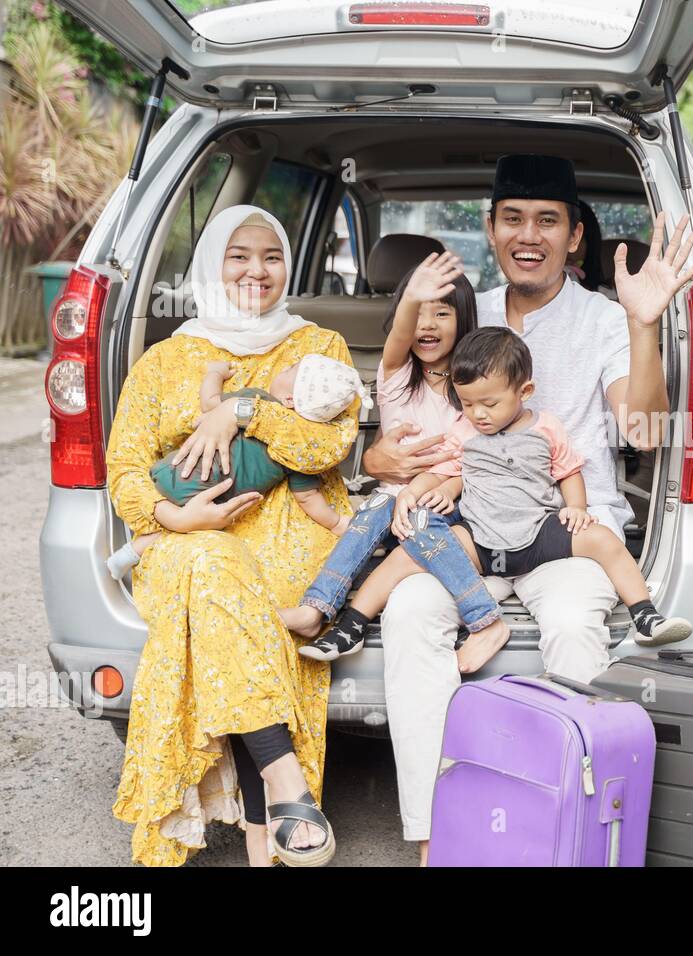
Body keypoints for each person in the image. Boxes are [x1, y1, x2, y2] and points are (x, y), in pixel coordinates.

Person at [363, 153, 693, 861]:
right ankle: (433, 838)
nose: (529, 234)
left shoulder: (607, 321)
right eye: (513, 218)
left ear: (574, 237)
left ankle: (562, 836)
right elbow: (407, 416)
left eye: (547, 220)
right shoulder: (463, 315)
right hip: (475, 535)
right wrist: (383, 460)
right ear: (489, 229)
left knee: (577, 623)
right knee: (409, 611)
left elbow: (642, 431)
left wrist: (645, 325)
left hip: (567, 532)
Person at [105, 204, 360, 866]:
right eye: (238, 256)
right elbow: (125, 473)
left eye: (272, 256)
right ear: (212, 261)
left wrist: (239, 410)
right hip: (181, 538)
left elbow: (324, 444)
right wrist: (175, 519)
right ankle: (283, 789)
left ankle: (259, 831)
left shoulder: (318, 346)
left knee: (244, 586)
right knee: (214, 565)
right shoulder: (168, 358)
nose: (256, 270)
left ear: (290, 266)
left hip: (290, 530)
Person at [307, 327, 692, 669]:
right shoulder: (464, 430)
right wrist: (417, 490)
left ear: (525, 391)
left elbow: (568, 471)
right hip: (479, 539)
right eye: (468, 403)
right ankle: (352, 625)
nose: (478, 414)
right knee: (407, 554)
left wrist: (576, 507)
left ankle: (645, 615)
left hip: (538, 534)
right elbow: (447, 469)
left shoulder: (546, 428)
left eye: (489, 404)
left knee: (603, 540)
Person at [277, 252, 506, 660]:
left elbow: (479, 458)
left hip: (447, 501)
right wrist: (409, 301)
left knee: (418, 518)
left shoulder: (475, 389)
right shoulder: (398, 378)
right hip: (392, 495)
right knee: (368, 518)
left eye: (441, 314)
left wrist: (448, 486)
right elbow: (399, 338)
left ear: (465, 321)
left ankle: (483, 620)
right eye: (417, 312)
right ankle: (317, 608)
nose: (426, 325)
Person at [104, 353, 370, 580]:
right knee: (192, 531)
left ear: (289, 400)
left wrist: (216, 373)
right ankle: (130, 553)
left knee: (183, 522)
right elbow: (309, 497)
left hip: (172, 470)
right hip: (208, 497)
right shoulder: (299, 452)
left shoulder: (255, 399)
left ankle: (129, 552)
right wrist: (335, 523)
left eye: (290, 370)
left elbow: (209, 402)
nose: (283, 368)